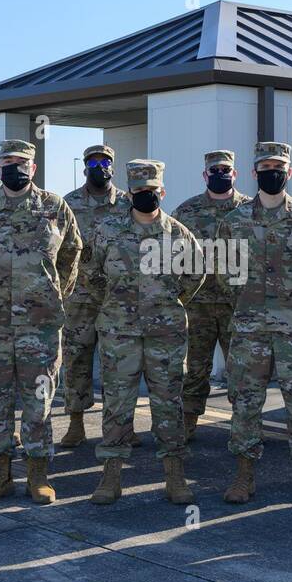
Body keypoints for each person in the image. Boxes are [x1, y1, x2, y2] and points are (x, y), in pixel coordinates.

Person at [216, 142, 292, 504]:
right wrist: (245, 302)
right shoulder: (235, 221)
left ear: (289, 172)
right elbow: (223, 270)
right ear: (255, 173)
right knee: (245, 402)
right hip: (249, 327)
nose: (273, 172)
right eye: (266, 167)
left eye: (279, 167)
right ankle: (243, 475)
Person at [0, 140, 82, 505]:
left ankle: (37, 475)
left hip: (40, 325)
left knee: (39, 402)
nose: (15, 167)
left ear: (33, 167)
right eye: (8, 162)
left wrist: (50, 294)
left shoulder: (54, 207)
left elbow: (71, 254)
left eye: (22, 162)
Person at [82, 160, 204, 504]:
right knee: (117, 403)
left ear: (162, 191)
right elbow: (89, 272)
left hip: (165, 334)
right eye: (139, 190)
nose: (146, 195)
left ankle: (174, 475)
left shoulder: (178, 234)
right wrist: (113, 302)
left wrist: (168, 303)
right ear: (130, 193)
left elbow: (195, 275)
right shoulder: (107, 231)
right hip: (118, 331)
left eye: (151, 190)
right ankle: (111, 475)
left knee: (168, 402)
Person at [172, 150, 251, 441]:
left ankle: (244, 427)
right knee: (195, 368)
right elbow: (172, 254)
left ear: (235, 173)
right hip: (198, 305)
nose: (220, 175)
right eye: (214, 171)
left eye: (225, 170)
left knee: (242, 370)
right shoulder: (186, 211)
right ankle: (188, 423)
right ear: (205, 175)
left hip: (237, 305)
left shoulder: (250, 209)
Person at [60, 144, 132, 448]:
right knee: (76, 360)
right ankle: (76, 424)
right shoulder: (69, 203)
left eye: (105, 162)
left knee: (119, 364)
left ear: (113, 167)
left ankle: (121, 426)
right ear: (84, 167)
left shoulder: (128, 202)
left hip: (117, 297)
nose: (99, 167)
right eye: (93, 163)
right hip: (79, 297)